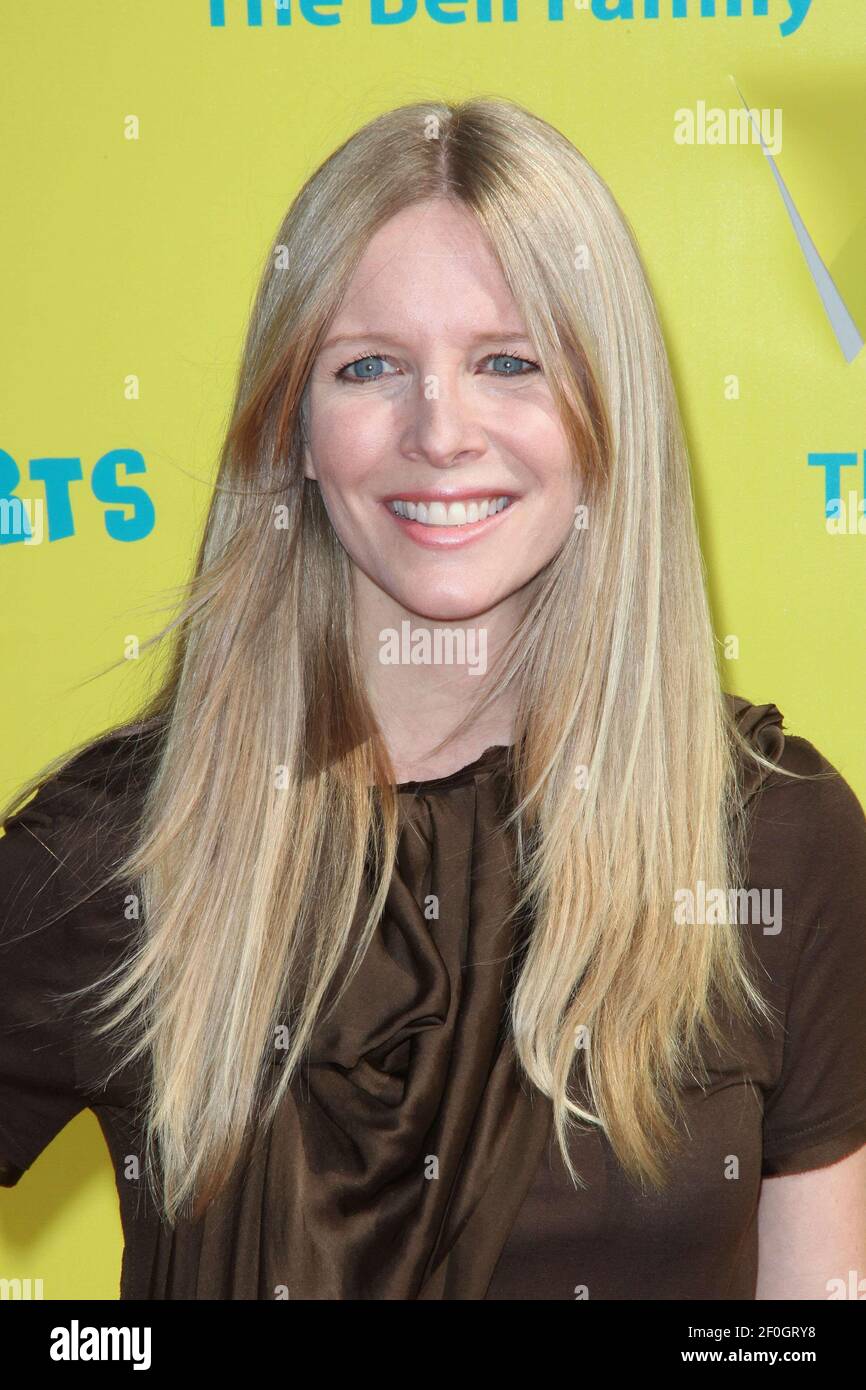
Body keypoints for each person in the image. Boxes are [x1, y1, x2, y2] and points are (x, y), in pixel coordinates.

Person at [2, 97, 865, 1301]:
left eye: (507, 362)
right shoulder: (125, 847)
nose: (439, 431)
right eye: (369, 368)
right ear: (295, 428)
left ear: (605, 420)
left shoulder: (769, 836)